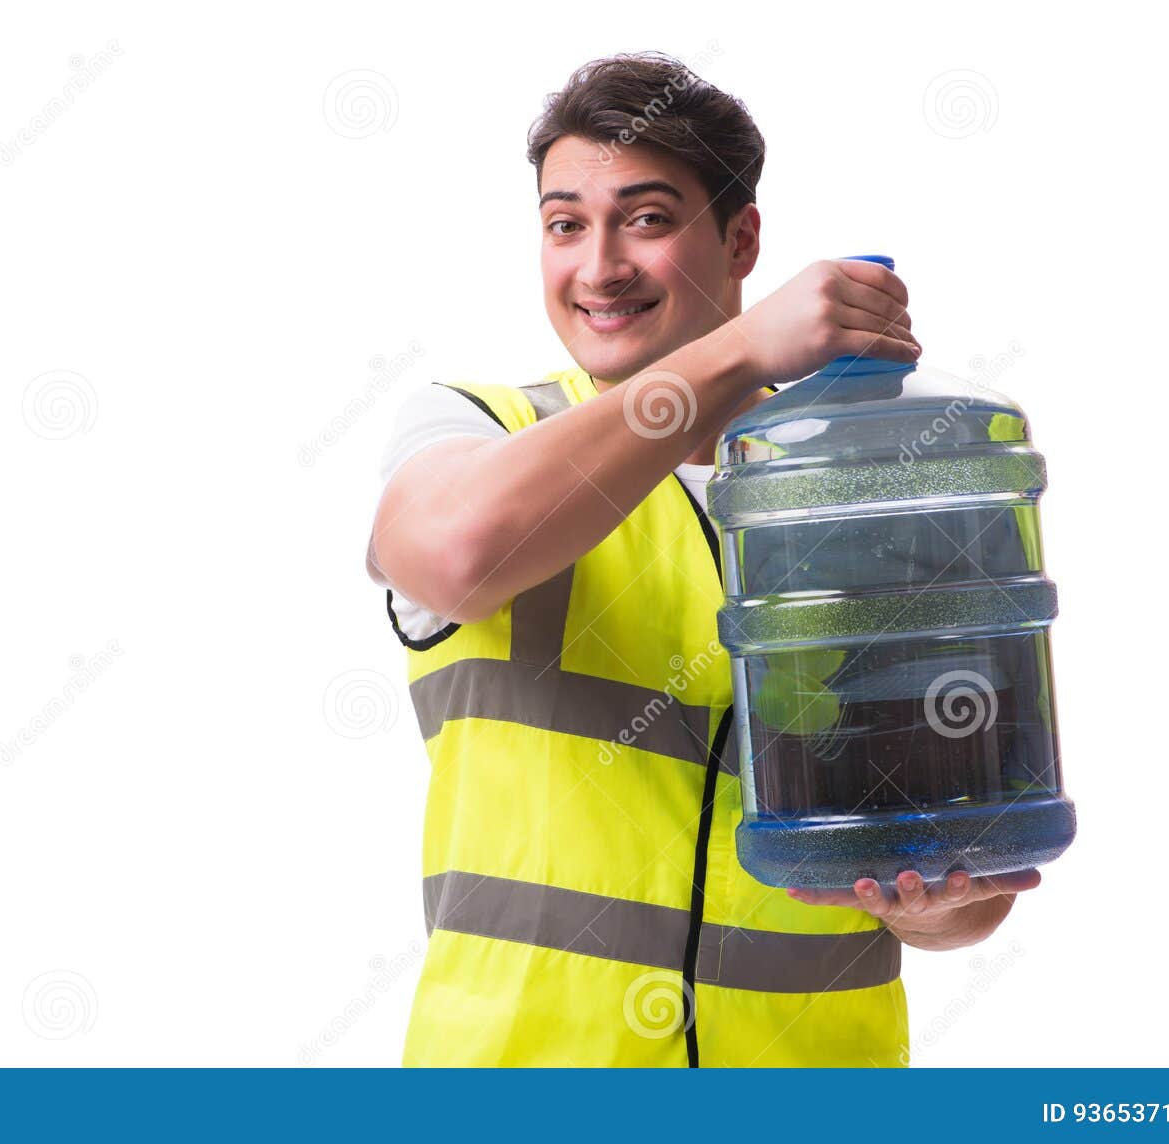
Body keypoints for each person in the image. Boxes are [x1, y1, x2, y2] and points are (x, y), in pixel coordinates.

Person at [365, 51, 1041, 1067]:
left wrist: (943, 899)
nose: (597, 266)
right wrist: (741, 351)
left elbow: (940, 879)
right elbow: (454, 555)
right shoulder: (478, 432)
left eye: (645, 218)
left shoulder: (873, 480)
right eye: (564, 223)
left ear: (740, 239)